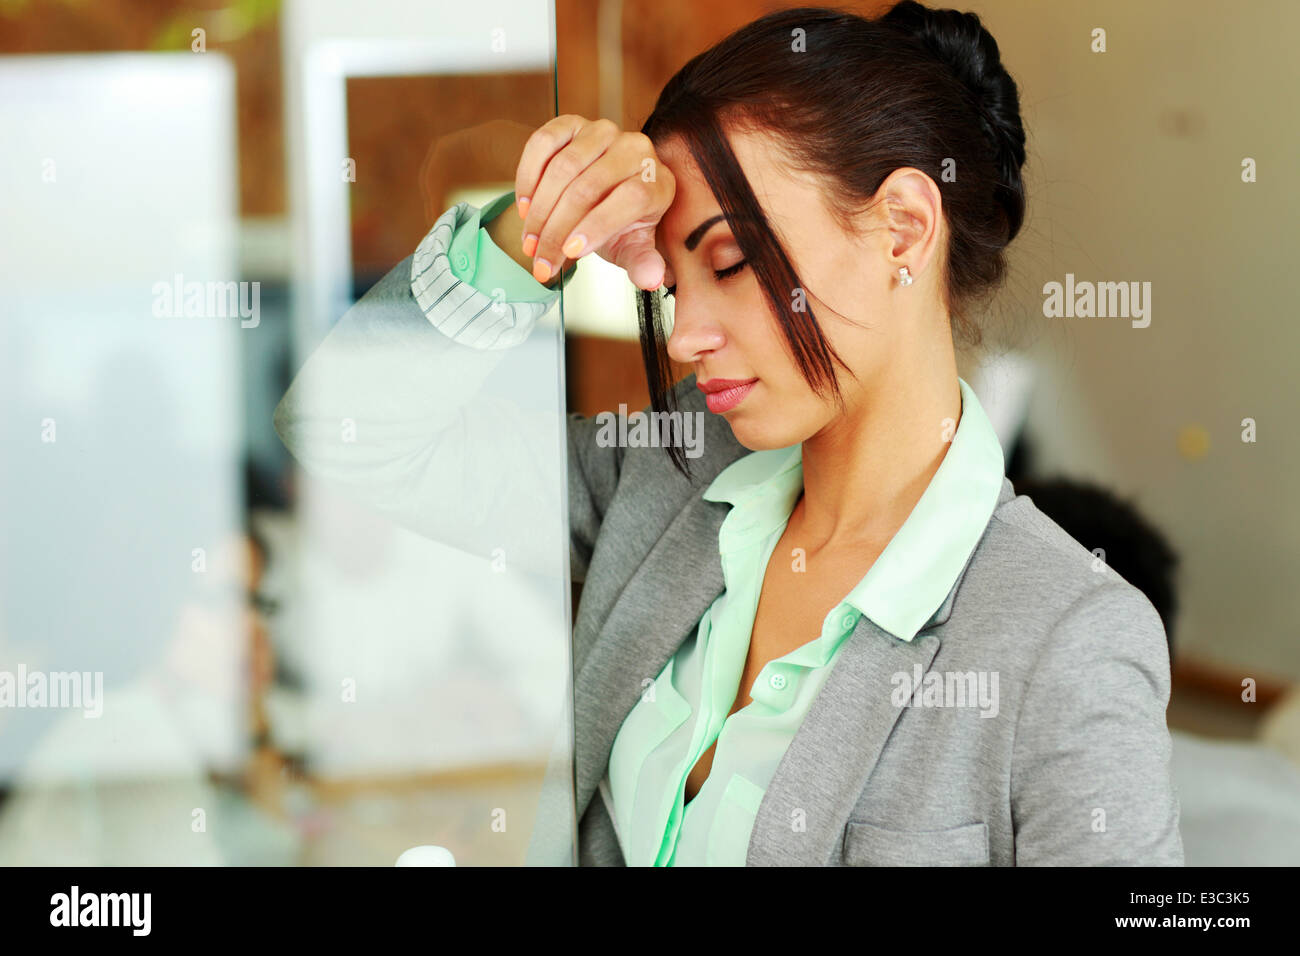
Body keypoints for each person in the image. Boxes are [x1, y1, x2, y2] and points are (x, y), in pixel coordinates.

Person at [273, 2, 1183, 865]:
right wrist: (530, 236)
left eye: (731, 262)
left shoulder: (1068, 641)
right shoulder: (671, 476)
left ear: (903, 228)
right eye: (672, 285)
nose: (684, 332)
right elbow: (345, 428)